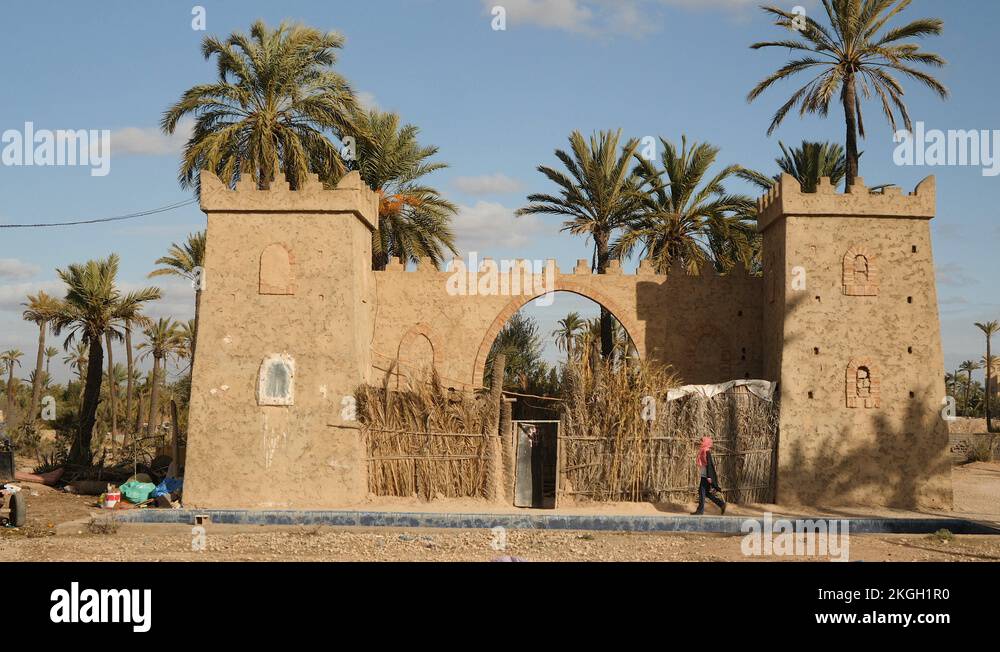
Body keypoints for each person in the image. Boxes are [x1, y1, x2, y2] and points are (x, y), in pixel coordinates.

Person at [692, 436, 726, 515]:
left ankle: (700, 511)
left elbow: (709, 465)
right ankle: (721, 504)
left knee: (701, 492)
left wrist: (709, 477)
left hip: (706, 476)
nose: (700, 442)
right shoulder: (703, 450)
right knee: (706, 493)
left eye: (702, 441)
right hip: (705, 475)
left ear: (705, 442)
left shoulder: (706, 451)